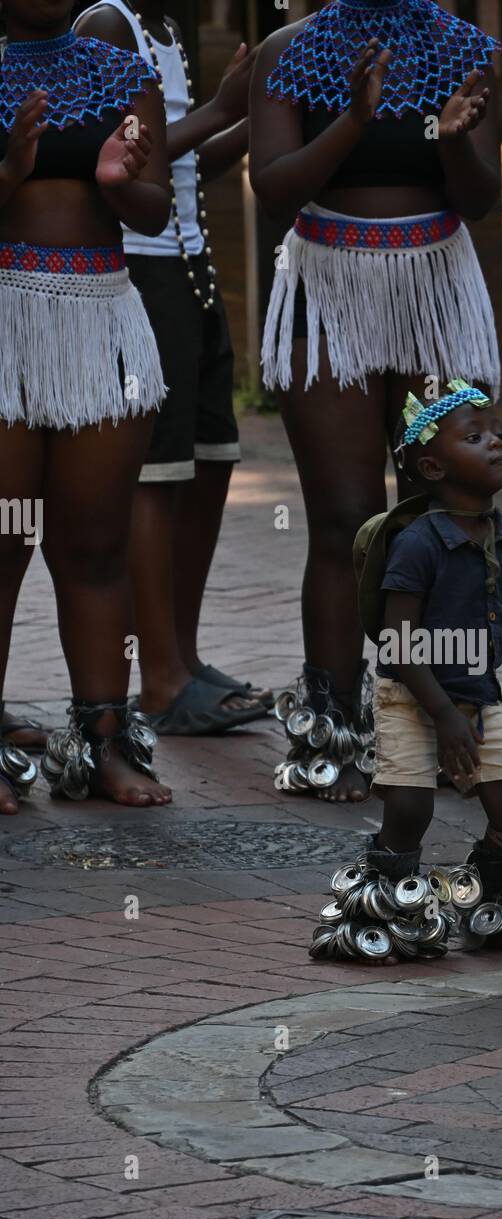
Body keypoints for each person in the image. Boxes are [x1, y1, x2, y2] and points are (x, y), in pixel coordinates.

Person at [249, 0, 501, 803]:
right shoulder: (290, 51)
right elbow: (274, 190)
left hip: (433, 284)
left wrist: (455, 140)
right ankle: (333, 729)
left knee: (445, 510)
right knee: (345, 516)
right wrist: (355, 120)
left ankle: (453, 715)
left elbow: (482, 199)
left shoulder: (459, 46)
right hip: (326, 286)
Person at [312, 380, 502, 965]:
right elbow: (398, 642)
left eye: (496, 432)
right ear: (432, 465)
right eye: (474, 437)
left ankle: (492, 911)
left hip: (480, 696)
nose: (495, 442)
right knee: (409, 809)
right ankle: (381, 919)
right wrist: (442, 716)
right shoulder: (418, 544)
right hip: (409, 697)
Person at [75, 0, 270, 735]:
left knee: (210, 459)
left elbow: (189, 160)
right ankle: (158, 679)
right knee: (156, 475)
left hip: (192, 266)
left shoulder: (162, 27)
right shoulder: (107, 23)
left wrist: (249, 117)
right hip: (142, 272)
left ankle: (183, 657)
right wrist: (222, 102)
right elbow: (124, 162)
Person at [0, 0, 172, 812]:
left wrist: (119, 182)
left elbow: (154, 208)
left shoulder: (124, 74)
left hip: (101, 310)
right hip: (5, 315)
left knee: (96, 545)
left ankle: (103, 745)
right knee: (3, 537)